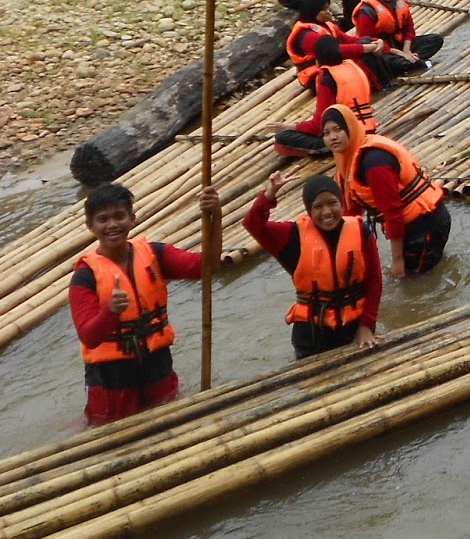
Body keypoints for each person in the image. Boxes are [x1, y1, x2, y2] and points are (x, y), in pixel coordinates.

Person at [69, 182, 220, 425]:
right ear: (91, 226)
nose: (112, 225)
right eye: (103, 219)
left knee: (169, 425)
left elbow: (208, 266)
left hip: (157, 367)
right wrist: (111, 311)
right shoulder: (84, 276)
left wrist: (215, 216)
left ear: (132, 218)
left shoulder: (155, 254)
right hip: (112, 381)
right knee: (111, 439)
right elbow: (89, 336)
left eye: (119, 216)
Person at [242, 172, 382, 359]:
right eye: (317, 206)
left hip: (354, 329)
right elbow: (252, 224)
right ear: (309, 210)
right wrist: (269, 195)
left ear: (341, 203)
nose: (326, 212)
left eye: (332, 203)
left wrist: (366, 325)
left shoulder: (361, 231)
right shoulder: (291, 236)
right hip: (312, 336)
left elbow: (374, 280)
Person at [322, 104, 451, 277]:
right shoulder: (346, 159)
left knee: (413, 281)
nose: (332, 137)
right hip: (413, 224)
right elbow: (351, 212)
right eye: (326, 133)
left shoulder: (373, 163)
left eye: (338, 130)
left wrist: (397, 261)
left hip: (424, 225)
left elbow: (393, 212)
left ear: (350, 128)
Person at [273, 35, 378, 158]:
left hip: (347, 138)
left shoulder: (328, 78)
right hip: (369, 128)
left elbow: (318, 125)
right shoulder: (353, 67)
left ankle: (317, 152)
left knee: (281, 139)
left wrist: (291, 126)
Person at [285, 0, 382, 90]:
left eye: (328, 8)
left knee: (365, 41)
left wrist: (375, 41)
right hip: (319, 76)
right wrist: (366, 48)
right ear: (313, 11)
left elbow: (348, 39)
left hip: (333, 64)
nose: (328, 12)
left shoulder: (327, 25)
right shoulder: (307, 36)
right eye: (323, 9)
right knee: (365, 56)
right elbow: (336, 51)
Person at [352, 0, 442, 77]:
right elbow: (367, 41)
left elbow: (409, 29)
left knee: (436, 39)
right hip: (380, 50)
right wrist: (399, 53)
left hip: (399, 44)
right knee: (399, 64)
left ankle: (412, 60)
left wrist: (406, 49)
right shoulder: (367, 11)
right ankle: (411, 62)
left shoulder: (400, 3)